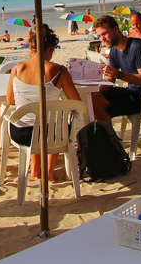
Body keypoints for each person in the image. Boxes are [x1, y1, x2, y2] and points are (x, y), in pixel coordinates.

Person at [5, 24, 83, 182]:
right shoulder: (59, 70)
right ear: (51, 48)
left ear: (31, 48)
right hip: (53, 136)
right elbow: (76, 102)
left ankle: (34, 168)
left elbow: (11, 101)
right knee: (55, 122)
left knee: (36, 120)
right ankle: (49, 172)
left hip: (22, 134)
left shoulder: (17, 68)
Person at [90, 15, 141, 126]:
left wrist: (119, 74)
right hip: (130, 92)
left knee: (96, 103)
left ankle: (109, 140)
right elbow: (110, 79)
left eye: (104, 34)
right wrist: (94, 92)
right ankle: (106, 138)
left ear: (116, 29)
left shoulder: (137, 47)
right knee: (91, 100)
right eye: (99, 36)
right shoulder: (114, 50)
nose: (102, 39)